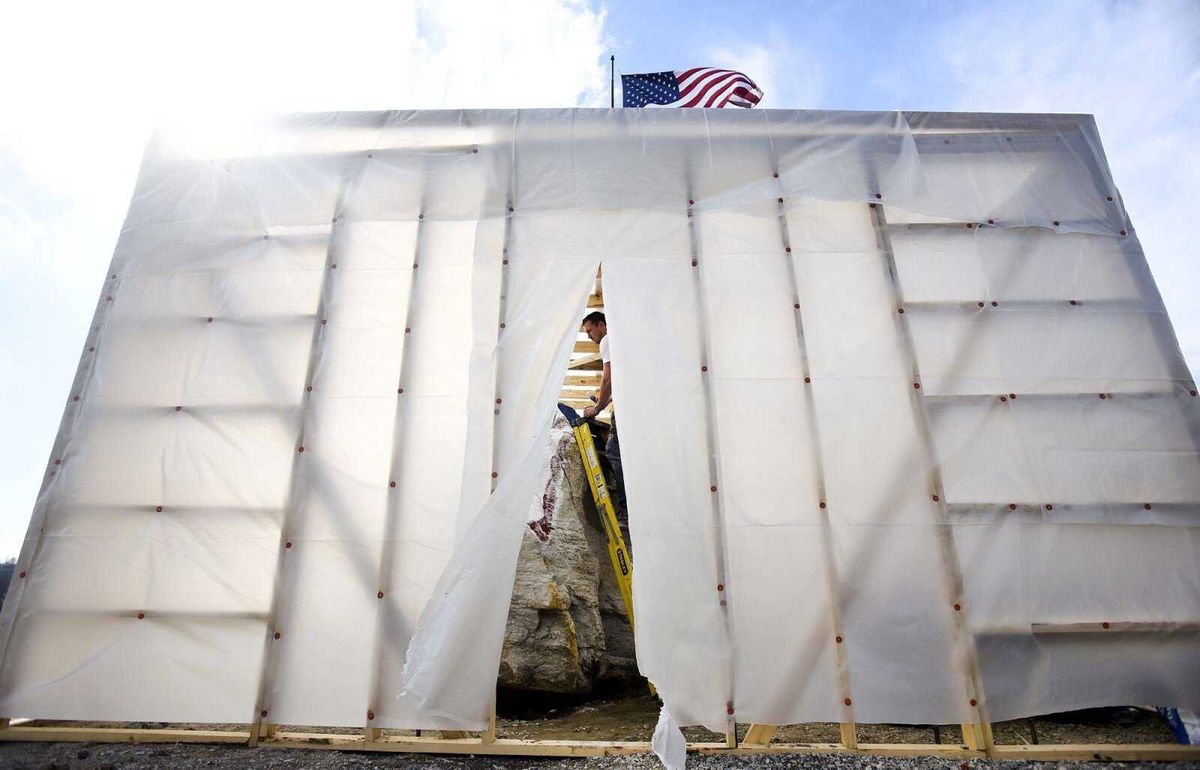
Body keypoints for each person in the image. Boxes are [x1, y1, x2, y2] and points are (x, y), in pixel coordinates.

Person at [579, 311, 626, 512]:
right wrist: (601, 402)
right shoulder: (620, 341)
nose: (589, 336)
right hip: (629, 406)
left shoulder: (607, 340)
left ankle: (625, 508)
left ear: (601, 325)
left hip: (624, 409)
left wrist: (597, 409)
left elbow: (608, 379)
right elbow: (613, 386)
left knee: (613, 452)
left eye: (590, 331)